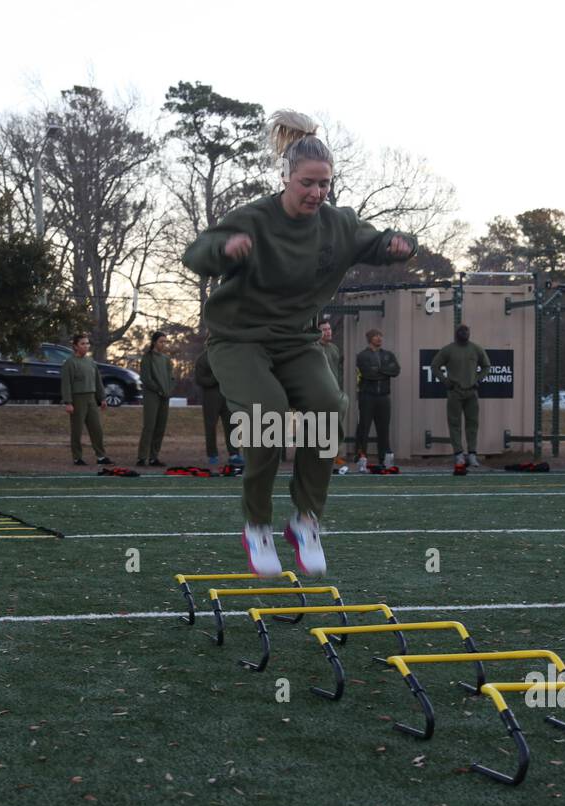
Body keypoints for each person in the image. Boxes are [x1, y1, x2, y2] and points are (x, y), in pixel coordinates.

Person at [181, 109, 416, 577]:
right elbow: (197, 253)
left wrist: (398, 244)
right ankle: (257, 523)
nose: (316, 193)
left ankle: (306, 519)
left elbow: (378, 240)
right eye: (307, 182)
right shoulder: (253, 219)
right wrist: (223, 251)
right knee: (265, 413)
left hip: (296, 341)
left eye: (324, 184)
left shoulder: (338, 225)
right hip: (238, 339)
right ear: (286, 176)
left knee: (329, 404)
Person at [430, 323, 491, 467]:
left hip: (472, 392)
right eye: (461, 331)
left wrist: (478, 380)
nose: (464, 333)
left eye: (466, 331)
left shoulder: (476, 349)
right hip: (455, 392)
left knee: (472, 424)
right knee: (454, 424)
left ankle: (472, 455)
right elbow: (434, 366)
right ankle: (458, 455)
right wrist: (445, 381)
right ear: (456, 333)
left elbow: (486, 366)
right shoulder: (448, 350)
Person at [61, 332, 112, 466]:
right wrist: (68, 402)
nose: (86, 346)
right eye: (82, 344)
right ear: (75, 346)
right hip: (77, 399)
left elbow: (97, 381)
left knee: (97, 429)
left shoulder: (90, 362)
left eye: (87, 343)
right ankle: (77, 458)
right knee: (77, 430)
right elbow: (66, 384)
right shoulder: (69, 363)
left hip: (91, 398)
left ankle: (101, 456)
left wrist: (102, 398)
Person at [355, 327, 401, 472]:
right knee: (364, 428)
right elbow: (369, 374)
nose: (379, 338)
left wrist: (379, 370)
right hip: (367, 396)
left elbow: (396, 370)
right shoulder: (362, 356)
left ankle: (384, 459)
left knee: (384, 429)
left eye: (380, 335)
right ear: (370, 339)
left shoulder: (388, 354)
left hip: (384, 397)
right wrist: (385, 372)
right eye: (376, 336)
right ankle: (361, 458)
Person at [195, 347, 239, 467]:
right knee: (210, 426)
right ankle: (212, 455)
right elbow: (199, 379)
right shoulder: (203, 359)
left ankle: (234, 454)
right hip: (211, 397)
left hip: (228, 395)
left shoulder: (228, 356)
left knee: (232, 424)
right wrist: (213, 379)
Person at [137, 330, 173, 467]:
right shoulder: (147, 357)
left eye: (165, 342)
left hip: (165, 397)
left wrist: (168, 390)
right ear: (154, 342)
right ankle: (142, 457)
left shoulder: (166, 360)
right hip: (152, 396)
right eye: (161, 341)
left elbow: (171, 378)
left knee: (160, 427)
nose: (163, 344)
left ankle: (153, 457)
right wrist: (158, 390)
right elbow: (146, 378)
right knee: (149, 426)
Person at [316, 319, 348, 463]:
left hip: (335, 393)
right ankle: (319, 457)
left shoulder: (334, 349)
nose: (328, 332)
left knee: (335, 425)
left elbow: (338, 371)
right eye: (324, 329)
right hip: (320, 394)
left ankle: (335, 457)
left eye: (329, 329)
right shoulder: (314, 349)